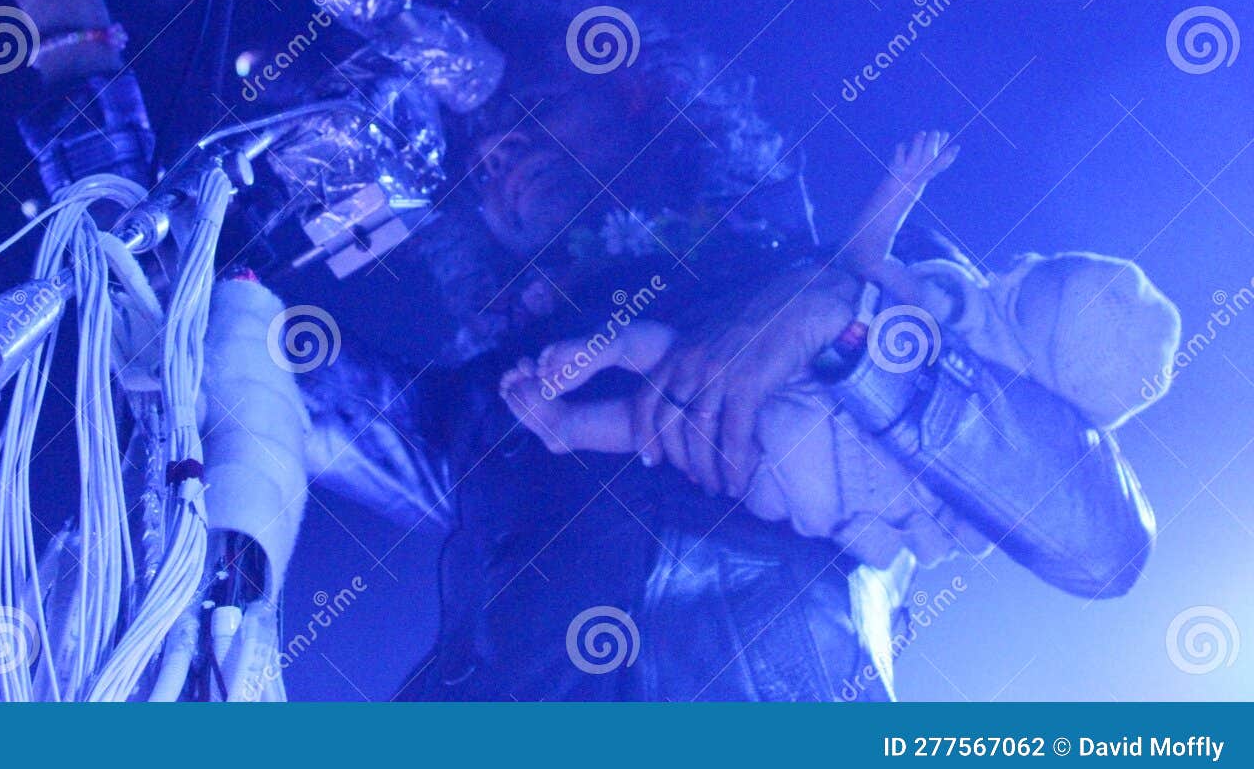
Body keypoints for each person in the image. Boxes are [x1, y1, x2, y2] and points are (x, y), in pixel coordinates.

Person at [0, 0, 1162, 700]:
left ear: (649, 108)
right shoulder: (472, 410)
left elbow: (1102, 544)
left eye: (537, 106)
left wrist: (833, 325)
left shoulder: (821, 267)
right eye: (479, 146)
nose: (498, 145)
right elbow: (173, 329)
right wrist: (68, 25)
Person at [499, 132, 1180, 572]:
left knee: (675, 379)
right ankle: (573, 413)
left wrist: (900, 189)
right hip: (808, 473)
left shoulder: (965, 326)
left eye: (1034, 279)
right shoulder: (996, 434)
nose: (1019, 264)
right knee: (682, 407)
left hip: (808, 439)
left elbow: (864, 259)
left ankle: (590, 385)